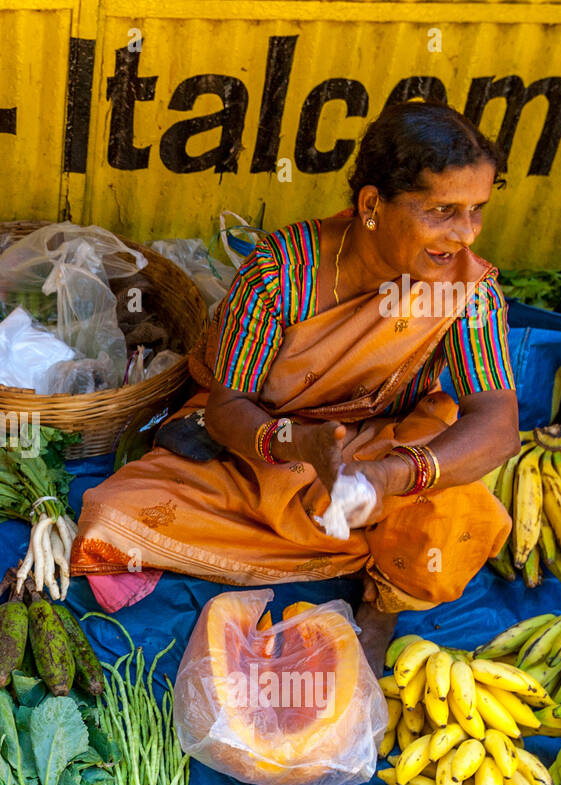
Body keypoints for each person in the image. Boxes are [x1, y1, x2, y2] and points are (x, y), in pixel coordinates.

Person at [69, 101, 521, 672]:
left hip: (385, 453)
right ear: (371, 205)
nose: (464, 234)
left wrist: (389, 474)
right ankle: (358, 547)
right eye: (442, 211)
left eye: (476, 211)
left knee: (462, 503)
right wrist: (297, 445)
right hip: (267, 449)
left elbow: (499, 421)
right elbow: (227, 406)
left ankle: (382, 601)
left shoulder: (466, 289)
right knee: (114, 518)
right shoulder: (284, 270)